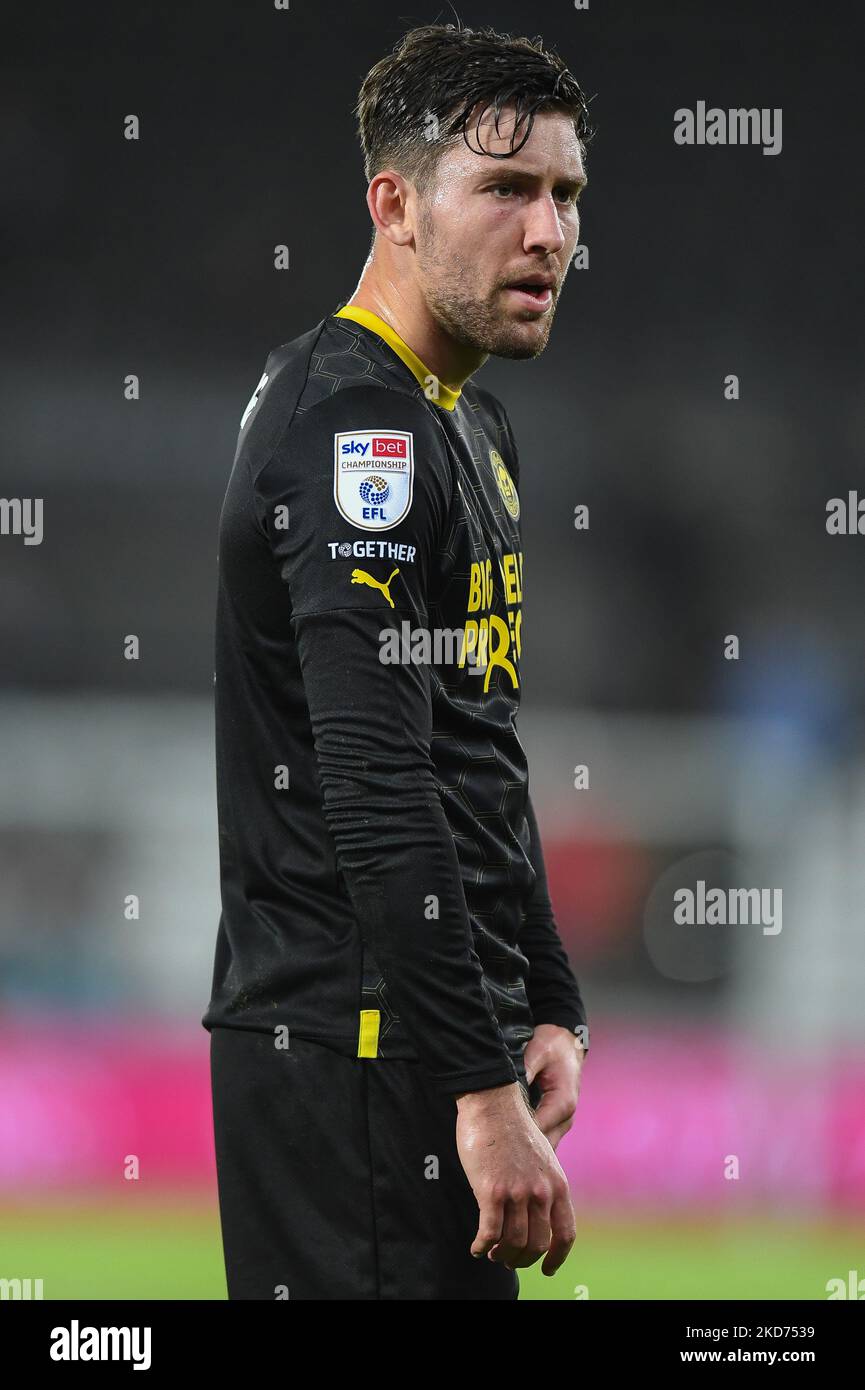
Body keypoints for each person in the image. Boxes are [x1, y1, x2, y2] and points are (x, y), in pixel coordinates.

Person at [203, 21, 591, 1301]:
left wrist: (546, 994)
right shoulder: (351, 434)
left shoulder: (469, 426)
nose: (549, 234)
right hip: (349, 1058)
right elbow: (373, 775)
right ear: (396, 204)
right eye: (505, 189)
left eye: (565, 195)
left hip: (427, 1041)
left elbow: (474, 743)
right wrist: (479, 1090)